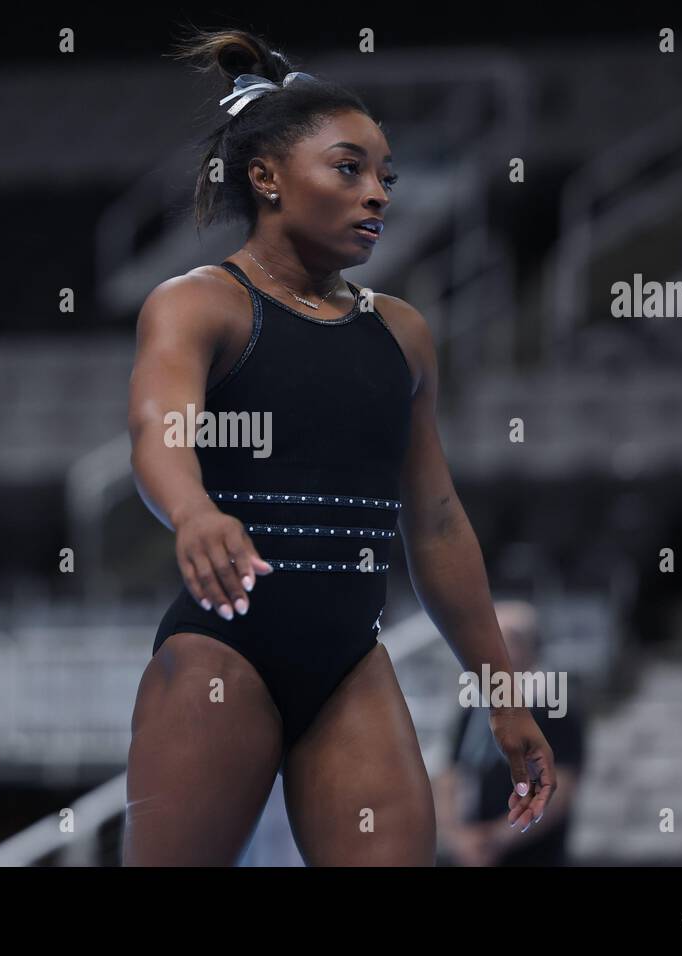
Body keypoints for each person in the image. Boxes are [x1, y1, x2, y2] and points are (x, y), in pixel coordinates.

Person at [122, 27, 556, 866]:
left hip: (349, 665)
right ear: (267, 178)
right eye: (349, 169)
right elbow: (157, 430)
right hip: (224, 652)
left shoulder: (402, 332)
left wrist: (502, 693)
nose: (378, 195)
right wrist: (193, 511)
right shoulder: (201, 303)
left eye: (385, 176)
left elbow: (433, 524)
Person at [435, 601, 586, 866]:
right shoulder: (474, 705)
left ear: (530, 647)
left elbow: (560, 787)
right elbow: (451, 774)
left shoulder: (555, 706)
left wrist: (496, 839)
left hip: (531, 852)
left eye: (508, 640)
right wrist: (457, 837)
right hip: (475, 842)